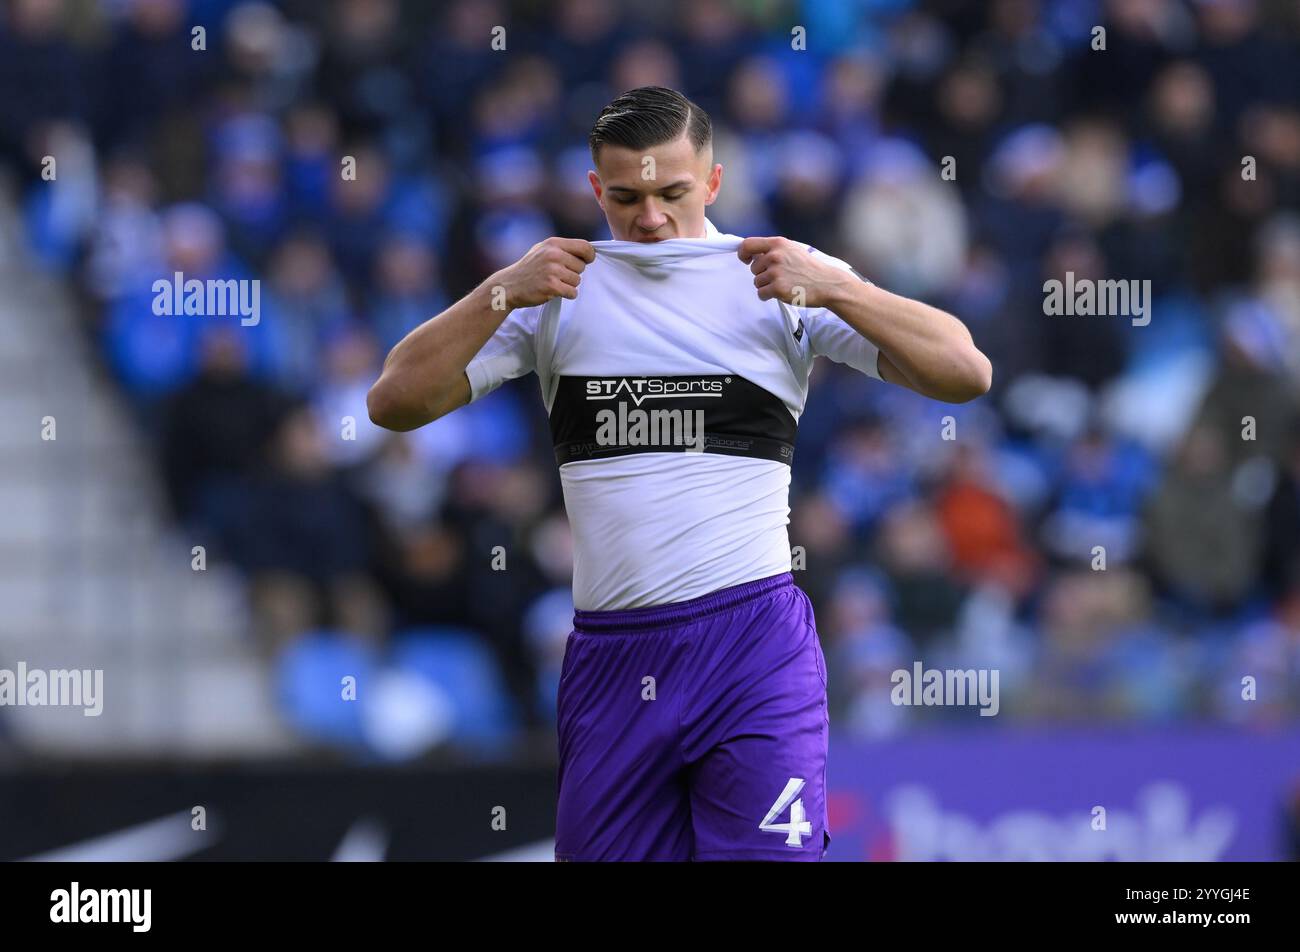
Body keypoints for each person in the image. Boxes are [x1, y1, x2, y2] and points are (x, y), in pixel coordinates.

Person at [367, 86, 991, 861]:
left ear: (715, 181)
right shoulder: (555, 289)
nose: (651, 218)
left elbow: (965, 371)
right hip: (614, 657)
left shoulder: (778, 276)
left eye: (672, 192)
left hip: (751, 646)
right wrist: (499, 292)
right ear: (595, 189)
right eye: (626, 197)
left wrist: (838, 287)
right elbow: (394, 401)